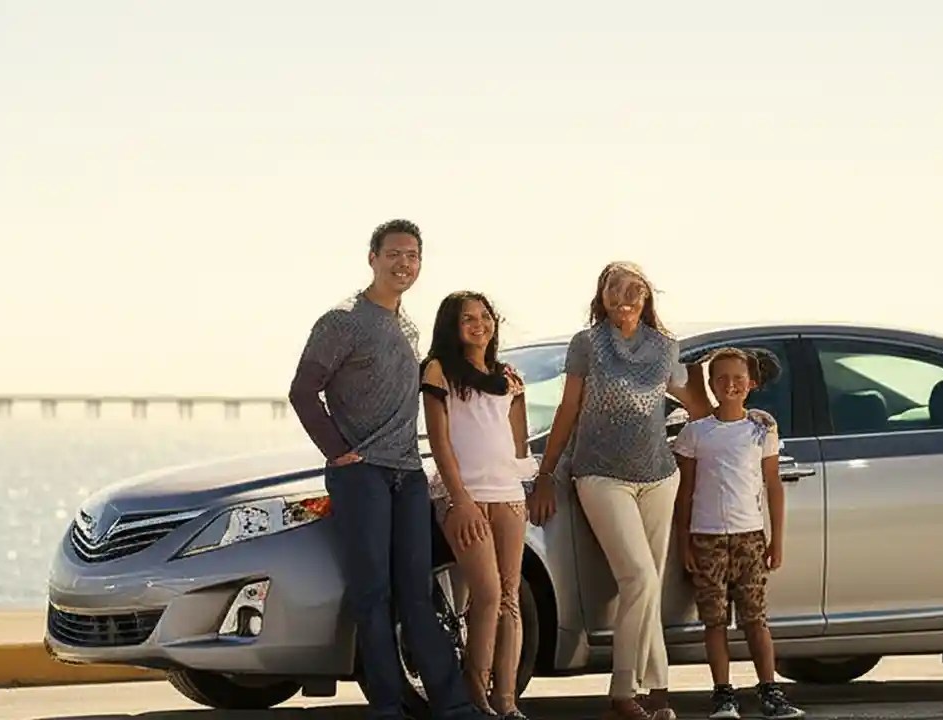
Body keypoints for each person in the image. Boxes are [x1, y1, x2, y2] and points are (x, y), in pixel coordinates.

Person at [288, 219, 488, 720]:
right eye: (395, 254)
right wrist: (337, 451)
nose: (404, 264)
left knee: (417, 592)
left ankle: (453, 703)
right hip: (363, 475)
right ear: (372, 257)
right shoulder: (342, 321)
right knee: (373, 593)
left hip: (408, 472)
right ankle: (386, 705)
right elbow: (302, 390)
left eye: (413, 256)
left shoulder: (408, 325)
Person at [527, 261, 714, 720]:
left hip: (658, 476)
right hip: (599, 473)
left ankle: (659, 694)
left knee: (646, 583)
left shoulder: (666, 347)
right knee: (639, 578)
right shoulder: (587, 344)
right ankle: (621, 695)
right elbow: (568, 409)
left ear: (647, 297)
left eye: (633, 289)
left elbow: (696, 407)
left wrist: (710, 389)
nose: (624, 297)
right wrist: (547, 473)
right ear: (602, 296)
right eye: (614, 289)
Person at [420, 290, 536, 719]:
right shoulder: (438, 371)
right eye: (467, 317)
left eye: (484, 316)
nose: (478, 323)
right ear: (452, 325)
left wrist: (529, 485)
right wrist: (461, 501)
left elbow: (518, 441)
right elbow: (440, 443)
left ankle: (507, 701)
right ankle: (475, 695)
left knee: (509, 596)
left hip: (508, 495)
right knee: (486, 594)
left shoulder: (508, 377)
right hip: (462, 496)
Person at [672, 347, 804, 720]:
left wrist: (776, 538)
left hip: (749, 537)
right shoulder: (696, 433)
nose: (730, 385)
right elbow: (686, 492)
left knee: (755, 619)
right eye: (722, 379)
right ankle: (723, 694)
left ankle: (769, 690)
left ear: (752, 384)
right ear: (712, 385)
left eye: (738, 379)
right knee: (714, 620)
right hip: (707, 537)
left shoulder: (761, 428)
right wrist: (684, 542)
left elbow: (773, 484)